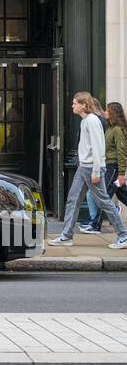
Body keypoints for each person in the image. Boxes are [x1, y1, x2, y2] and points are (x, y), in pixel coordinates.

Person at [49, 92, 127, 248]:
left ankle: (123, 235)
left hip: (92, 167)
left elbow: (99, 147)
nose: (72, 105)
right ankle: (66, 236)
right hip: (84, 167)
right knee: (73, 199)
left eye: (74, 103)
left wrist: (97, 171)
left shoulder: (91, 121)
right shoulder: (85, 121)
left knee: (104, 202)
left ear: (84, 105)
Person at [79, 101, 127, 234]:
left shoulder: (117, 130)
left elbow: (122, 152)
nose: (105, 112)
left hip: (113, 167)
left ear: (113, 113)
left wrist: (122, 173)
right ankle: (99, 219)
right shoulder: (110, 128)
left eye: (107, 110)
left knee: (102, 196)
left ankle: (95, 224)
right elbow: (99, 113)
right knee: (122, 195)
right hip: (109, 165)